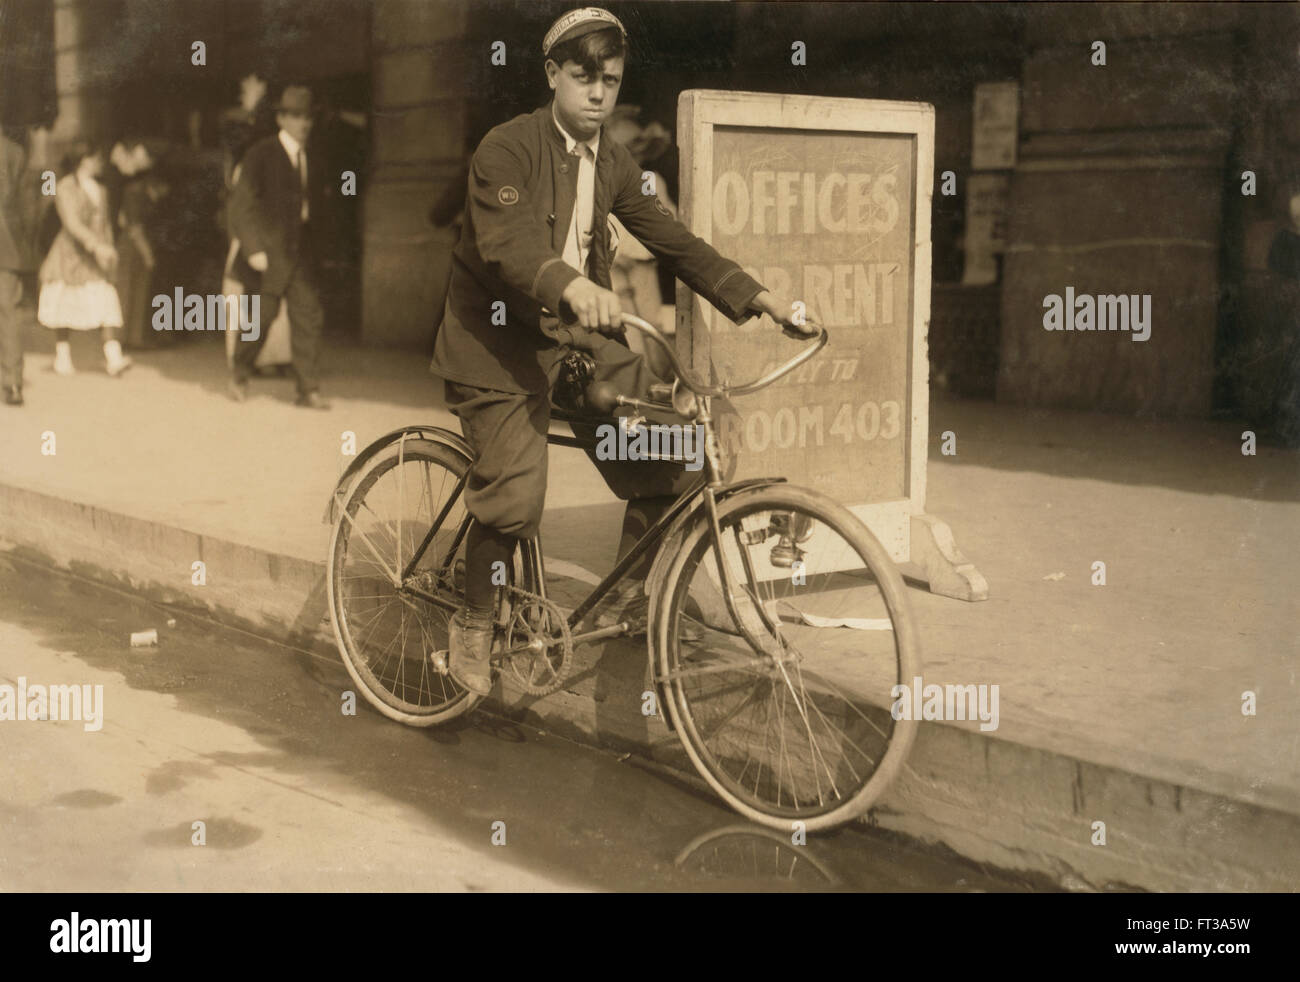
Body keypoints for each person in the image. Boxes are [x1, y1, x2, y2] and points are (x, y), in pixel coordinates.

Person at [429, 7, 810, 695]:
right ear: (552, 75)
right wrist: (572, 286)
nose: (599, 93)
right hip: (495, 346)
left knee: (674, 457)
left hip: (573, 344)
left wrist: (758, 298)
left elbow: (673, 239)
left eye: (610, 78)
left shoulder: (614, 161)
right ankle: (475, 621)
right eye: (583, 78)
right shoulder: (505, 150)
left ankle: (632, 598)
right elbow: (508, 247)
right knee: (514, 499)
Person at [226, 84, 329, 408]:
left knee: (308, 316)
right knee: (262, 318)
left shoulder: (312, 155)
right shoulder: (262, 153)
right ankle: (240, 374)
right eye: (296, 116)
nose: (304, 123)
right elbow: (240, 205)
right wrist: (253, 248)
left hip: (301, 253)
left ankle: (307, 389)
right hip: (267, 254)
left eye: (308, 117)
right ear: (281, 118)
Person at [36, 141, 131, 377]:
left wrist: (108, 247)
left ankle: (113, 357)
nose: (100, 163)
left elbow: (105, 223)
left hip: (95, 256)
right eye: (97, 158)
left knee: (105, 301)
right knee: (64, 305)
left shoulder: (101, 189)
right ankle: (62, 356)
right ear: (84, 160)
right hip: (70, 255)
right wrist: (95, 245)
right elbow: (72, 223)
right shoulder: (65, 187)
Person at [114, 140, 166, 350]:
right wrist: (148, 254)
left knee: (135, 290)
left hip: (134, 242)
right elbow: (134, 226)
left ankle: (131, 337)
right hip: (133, 244)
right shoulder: (136, 192)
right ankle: (124, 337)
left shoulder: (136, 190)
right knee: (129, 290)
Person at [0, 126, 33, 405]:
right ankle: (12, 384)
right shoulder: (16, 152)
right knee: (7, 312)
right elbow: (28, 206)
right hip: (7, 245)